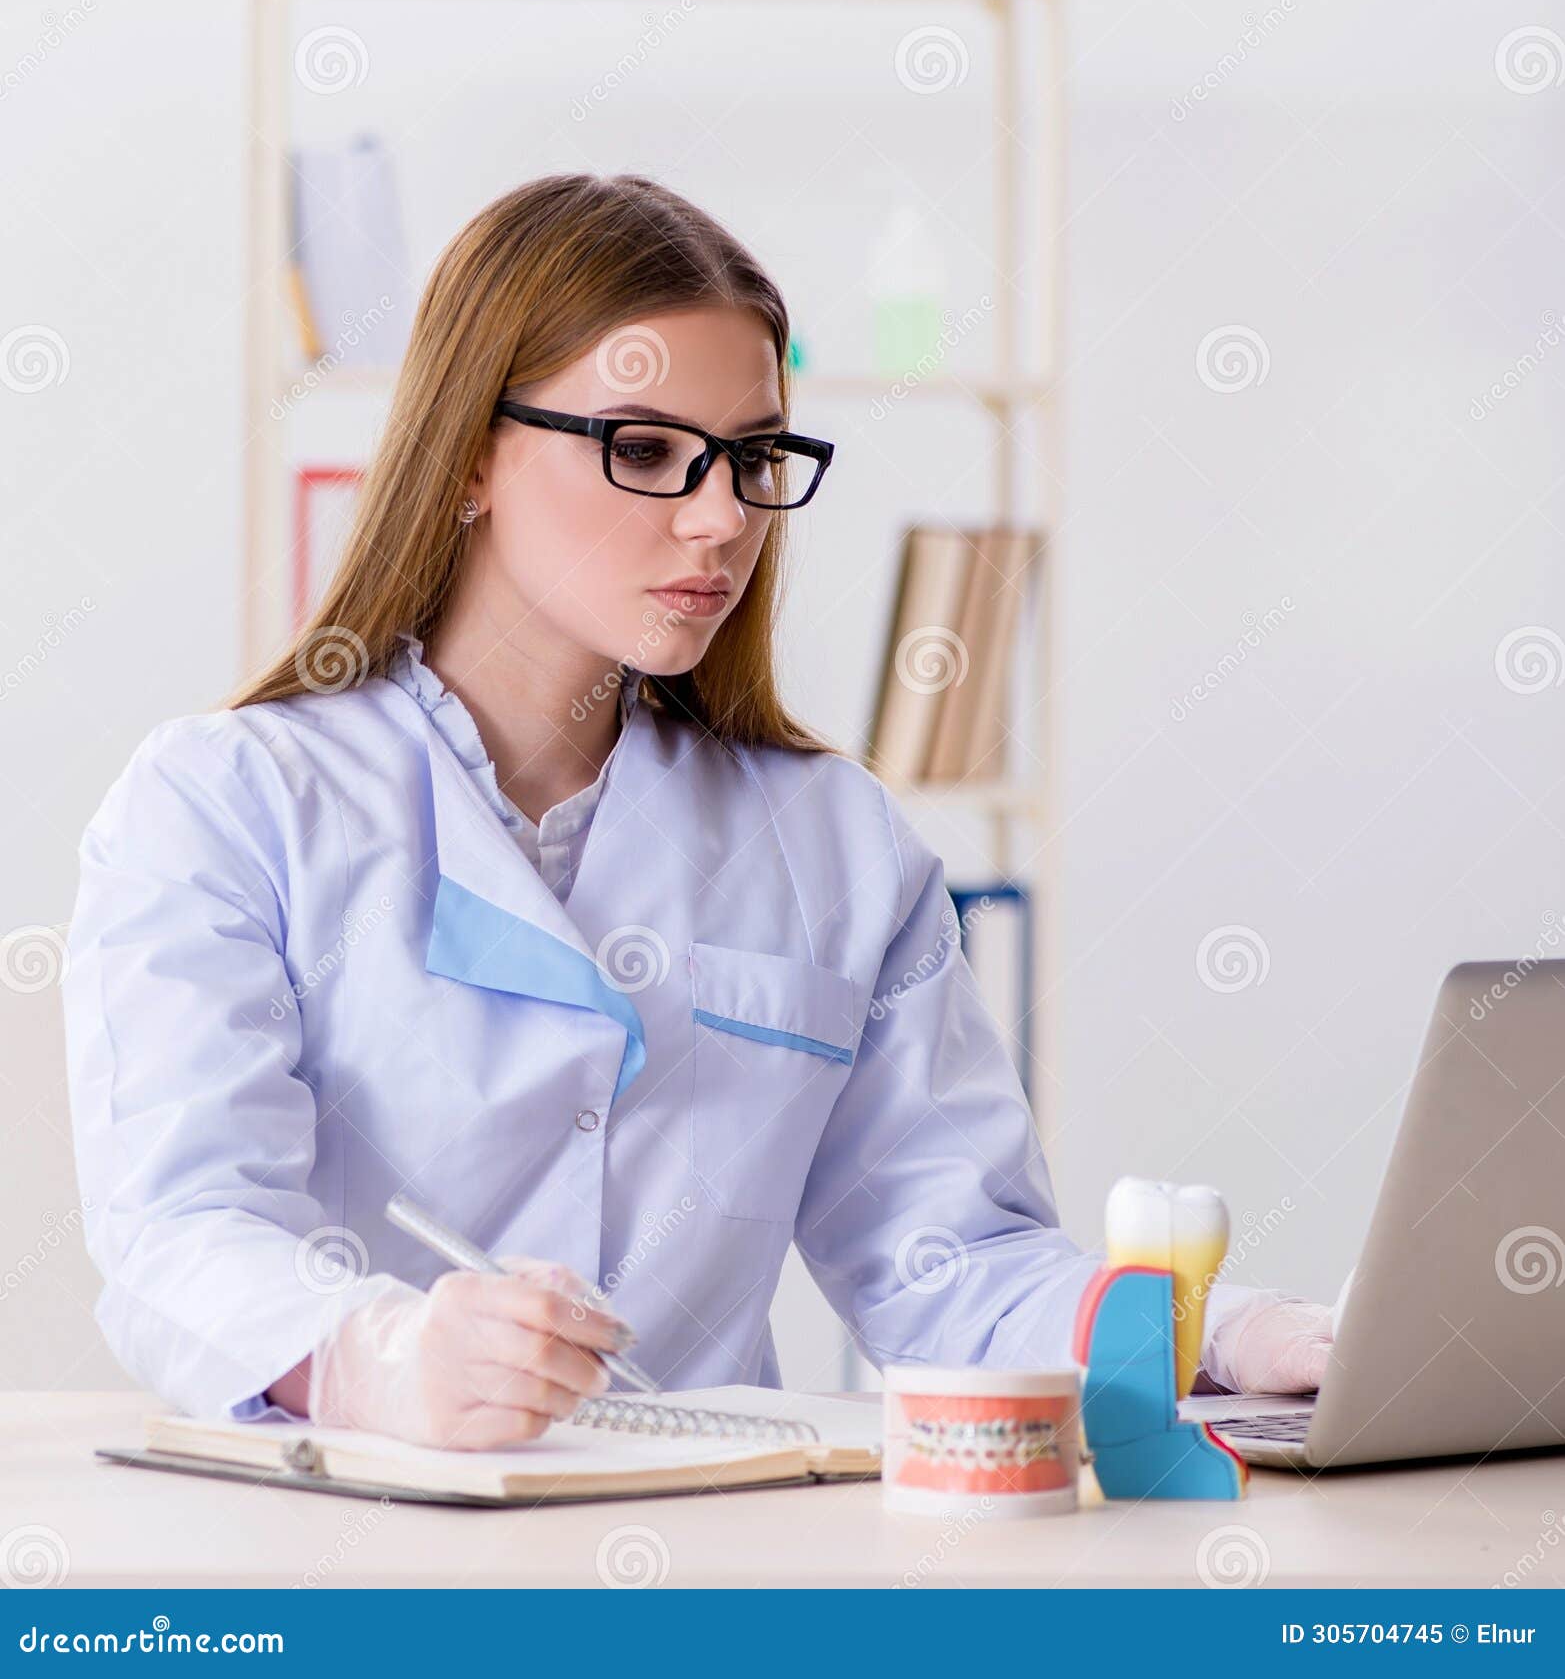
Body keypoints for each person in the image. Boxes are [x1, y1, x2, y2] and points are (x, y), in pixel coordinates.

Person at [62, 173, 1333, 1451]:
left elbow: (951, 1265)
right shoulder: (226, 805)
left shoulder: (836, 841)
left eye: (754, 457)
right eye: (645, 449)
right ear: (464, 462)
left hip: (711, 1545)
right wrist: (370, 1358)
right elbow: (181, 1229)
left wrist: (1217, 1338)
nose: (724, 517)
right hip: (368, 1544)